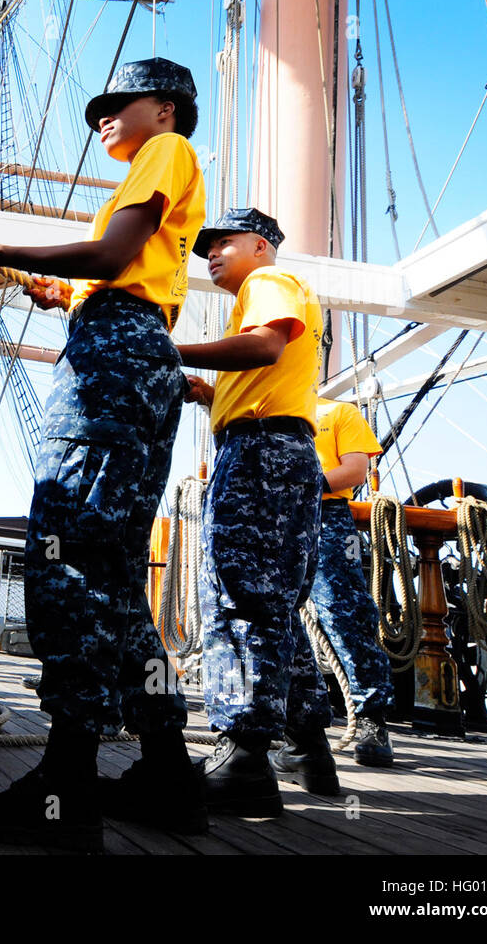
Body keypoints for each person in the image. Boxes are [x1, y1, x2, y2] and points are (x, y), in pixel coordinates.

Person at [0, 58, 207, 851]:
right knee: (118, 580)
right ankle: (167, 770)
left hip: (113, 363)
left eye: (117, 103)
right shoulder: (161, 167)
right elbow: (108, 275)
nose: (102, 115)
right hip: (139, 353)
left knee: (68, 562)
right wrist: (45, 284)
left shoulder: (164, 151)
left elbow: (109, 259)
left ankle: (66, 788)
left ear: (163, 108)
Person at [179, 208, 330, 817]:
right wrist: (212, 394)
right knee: (276, 602)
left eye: (224, 243)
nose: (211, 253)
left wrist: (171, 350)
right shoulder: (275, 294)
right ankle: (307, 745)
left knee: (238, 598)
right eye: (206, 246)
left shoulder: (267, 285)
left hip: (259, 453)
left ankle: (243, 759)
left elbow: (265, 347)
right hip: (286, 449)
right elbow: (273, 374)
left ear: (261, 246)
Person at [274, 398, 394, 772]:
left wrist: (302, 487)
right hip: (272, 516)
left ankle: (372, 719)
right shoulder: (269, 407)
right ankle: (290, 721)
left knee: (345, 616)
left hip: (330, 519)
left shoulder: (340, 413)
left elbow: (356, 471)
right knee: (272, 617)